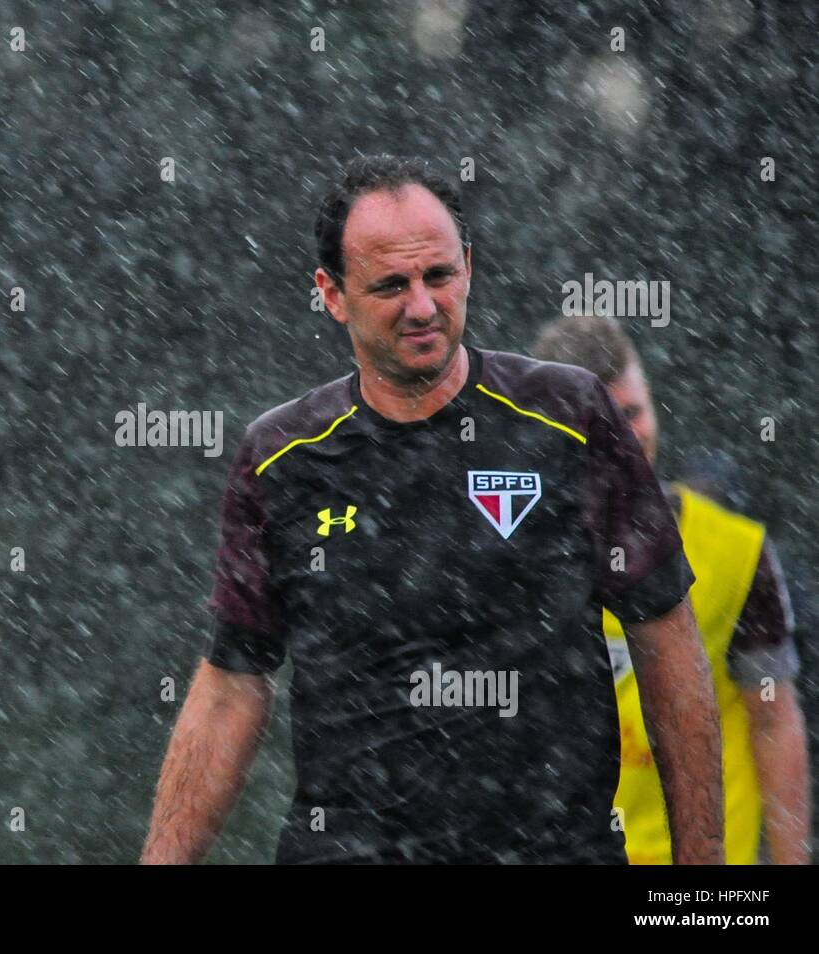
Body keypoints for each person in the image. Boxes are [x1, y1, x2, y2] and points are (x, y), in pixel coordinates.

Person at [141, 155, 724, 864]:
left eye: (438, 276)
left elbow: (666, 638)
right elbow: (233, 682)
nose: (421, 305)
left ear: (469, 267)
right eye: (390, 284)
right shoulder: (281, 458)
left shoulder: (570, 418)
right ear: (331, 293)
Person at [532, 315, 810, 864]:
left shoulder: (734, 550)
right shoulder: (510, 558)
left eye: (632, 414)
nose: (624, 442)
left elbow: (774, 719)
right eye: (600, 425)